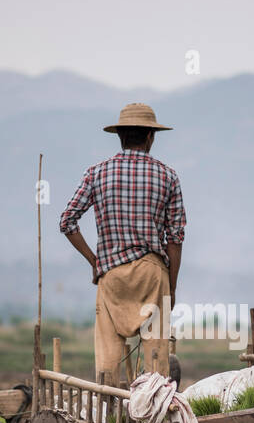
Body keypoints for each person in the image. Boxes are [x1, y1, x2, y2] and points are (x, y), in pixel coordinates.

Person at [59, 101, 185, 386]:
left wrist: (95, 262)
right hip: (153, 275)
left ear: (120, 136)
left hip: (112, 276)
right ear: (151, 137)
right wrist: (172, 286)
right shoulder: (168, 176)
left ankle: (109, 413)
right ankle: (153, 414)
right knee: (155, 360)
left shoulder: (97, 173)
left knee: (108, 359)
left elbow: (67, 221)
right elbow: (175, 239)